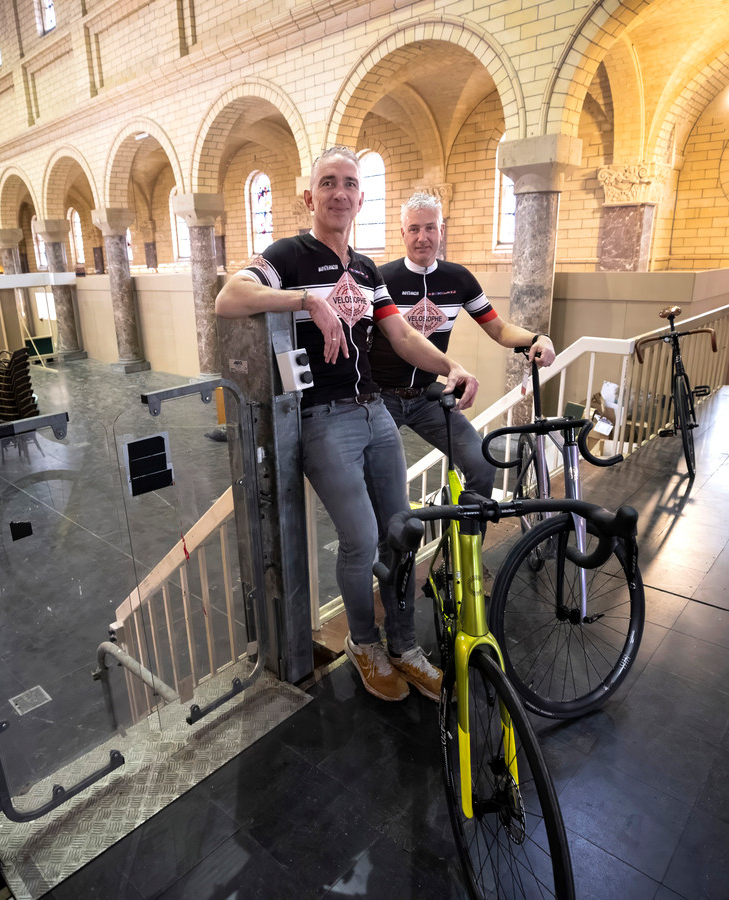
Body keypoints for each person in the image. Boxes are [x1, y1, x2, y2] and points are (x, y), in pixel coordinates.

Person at [215, 147, 480, 703]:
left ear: (361, 198)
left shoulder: (364, 268)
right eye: (328, 183)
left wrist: (451, 363)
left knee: (403, 534)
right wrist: (306, 300)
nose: (340, 192)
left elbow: (402, 335)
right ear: (310, 197)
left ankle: (405, 646)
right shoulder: (289, 254)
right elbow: (229, 298)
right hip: (322, 420)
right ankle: (364, 643)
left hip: (374, 410)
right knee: (361, 539)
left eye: (350, 184)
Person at [372, 192, 556, 498]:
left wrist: (539, 338)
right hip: (380, 400)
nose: (422, 237)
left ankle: (467, 540)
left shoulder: (458, 279)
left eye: (430, 228)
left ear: (441, 230)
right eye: (414, 229)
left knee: (483, 465)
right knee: (385, 486)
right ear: (402, 233)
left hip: (426, 398)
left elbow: (499, 330)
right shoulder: (382, 278)